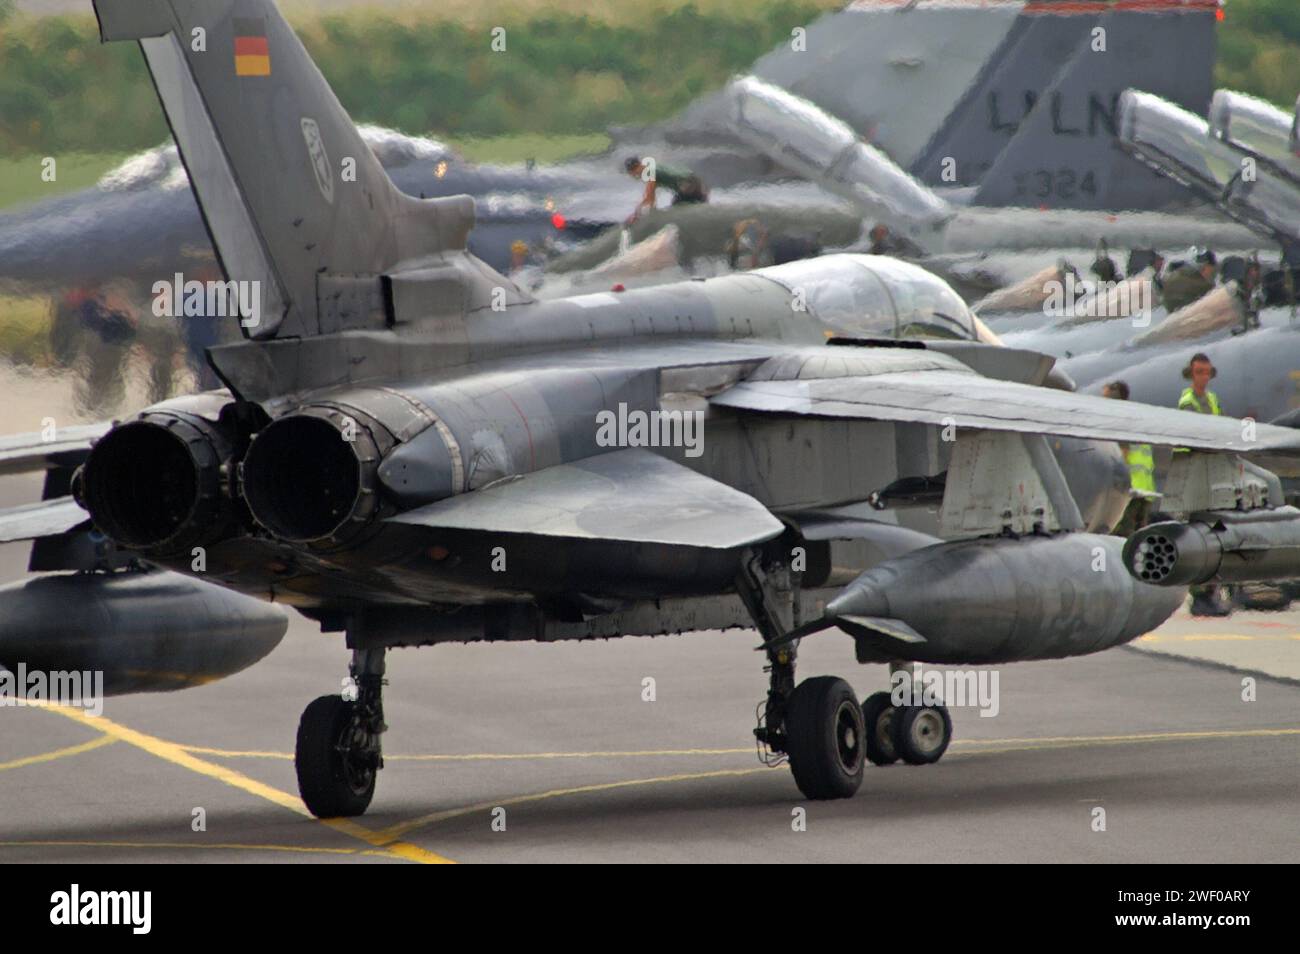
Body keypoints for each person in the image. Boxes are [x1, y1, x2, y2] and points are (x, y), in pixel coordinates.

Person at [1175, 353, 1230, 616]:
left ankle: (1210, 592)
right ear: (1191, 374)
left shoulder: (1212, 400)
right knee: (1199, 535)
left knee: (1214, 533)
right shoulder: (1188, 403)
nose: (1203, 377)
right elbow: (1194, 437)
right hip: (1195, 474)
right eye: (1199, 372)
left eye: (1207, 372)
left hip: (1211, 474)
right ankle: (1199, 597)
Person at [1102, 380, 1156, 536]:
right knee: (1139, 538)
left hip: (1129, 490)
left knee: (1120, 538)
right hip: (1145, 489)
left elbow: (1122, 456)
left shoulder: (1118, 420)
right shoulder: (1135, 418)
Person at [624, 157, 707, 223]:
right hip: (695, 181)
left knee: (677, 211)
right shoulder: (653, 168)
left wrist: (636, 214)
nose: (635, 174)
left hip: (689, 184)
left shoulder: (649, 172)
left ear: (640, 165)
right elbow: (651, 197)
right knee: (683, 205)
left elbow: (649, 198)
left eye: (635, 171)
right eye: (633, 173)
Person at [1159, 248, 1217, 313]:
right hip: (1185, 315)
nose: (1211, 273)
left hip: (1171, 312)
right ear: (1206, 266)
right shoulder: (1202, 285)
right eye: (1212, 270)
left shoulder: (1178, 273)